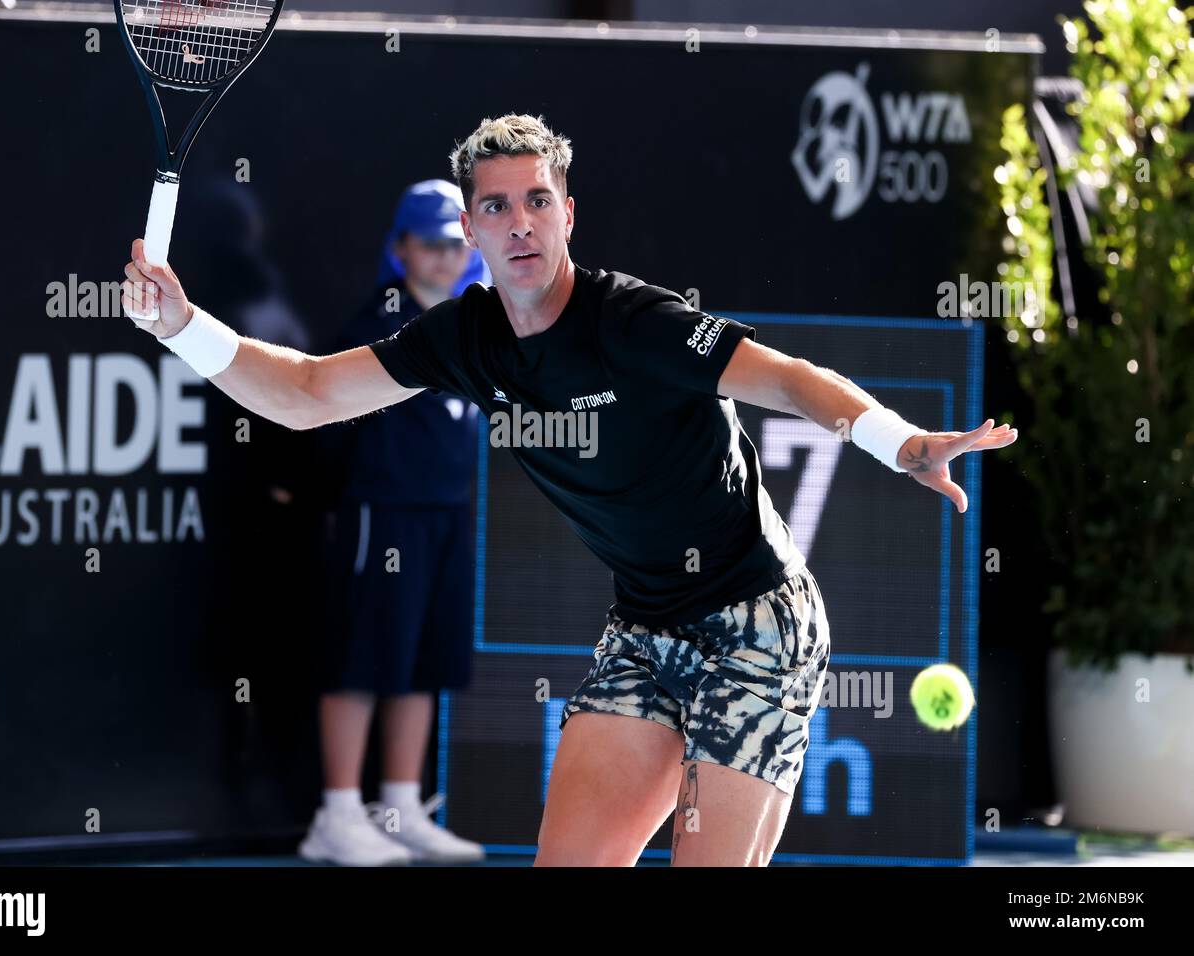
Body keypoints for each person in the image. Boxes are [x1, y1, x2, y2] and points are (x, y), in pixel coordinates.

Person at [121, 113, 1018, 867]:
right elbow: (310, 394)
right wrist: (180, 327)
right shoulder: (462, 337)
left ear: (568, 215)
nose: (520, 223)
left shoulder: (635, 322)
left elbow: (785, 379)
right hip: (644, 630)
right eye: (497, 207)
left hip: (760, 630)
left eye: (538, 201)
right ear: (470, 231)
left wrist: (899, 441)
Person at [299, 180, 487, 866]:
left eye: (454, 244)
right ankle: (337, 814)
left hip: (447, 517)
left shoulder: (477, 319)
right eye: (430, 244)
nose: (443, 258)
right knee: (360, 659)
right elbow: (325, 420)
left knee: (421, 665)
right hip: (380, 518)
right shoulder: (376, 321)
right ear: (401, 247)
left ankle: (399, 806)